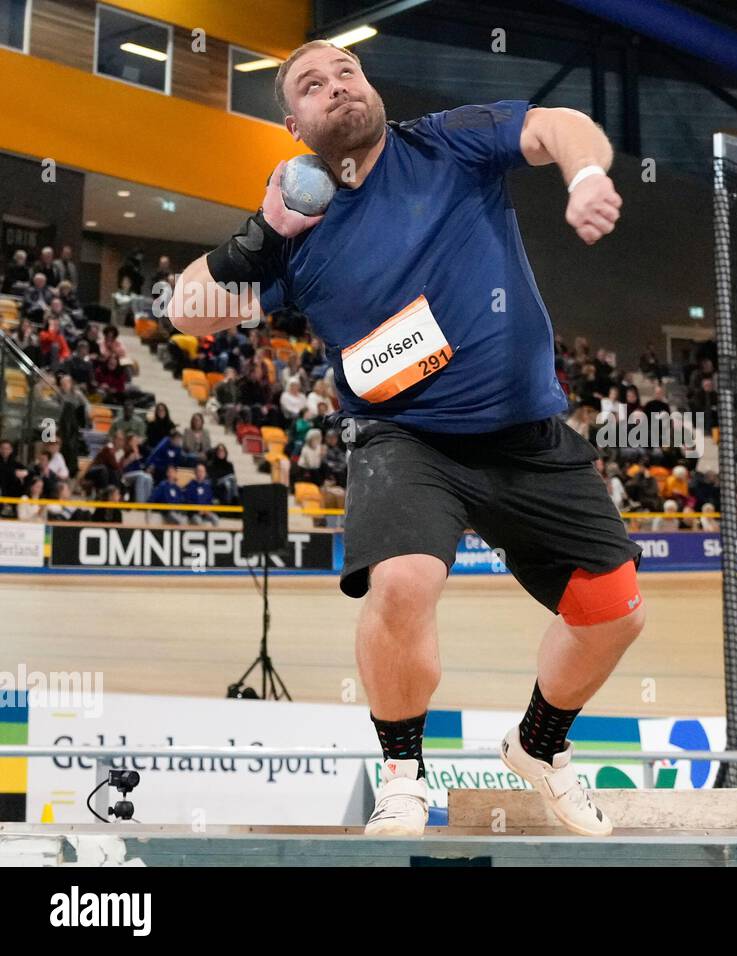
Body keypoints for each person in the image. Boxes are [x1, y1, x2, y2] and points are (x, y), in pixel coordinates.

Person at [169, 40, 643, 836]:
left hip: (526, 434)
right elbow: (184, 309)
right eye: (312, 86)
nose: (336, 87)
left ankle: (539, 746)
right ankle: (401, 777)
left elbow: (561, 124)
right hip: (405, 440)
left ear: (370, 86)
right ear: (295, 126)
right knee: (402, 583)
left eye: (345, 72)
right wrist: (260, 236)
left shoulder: (449, 141)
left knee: (614, 613)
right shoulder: (296, 233)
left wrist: (586, 173)